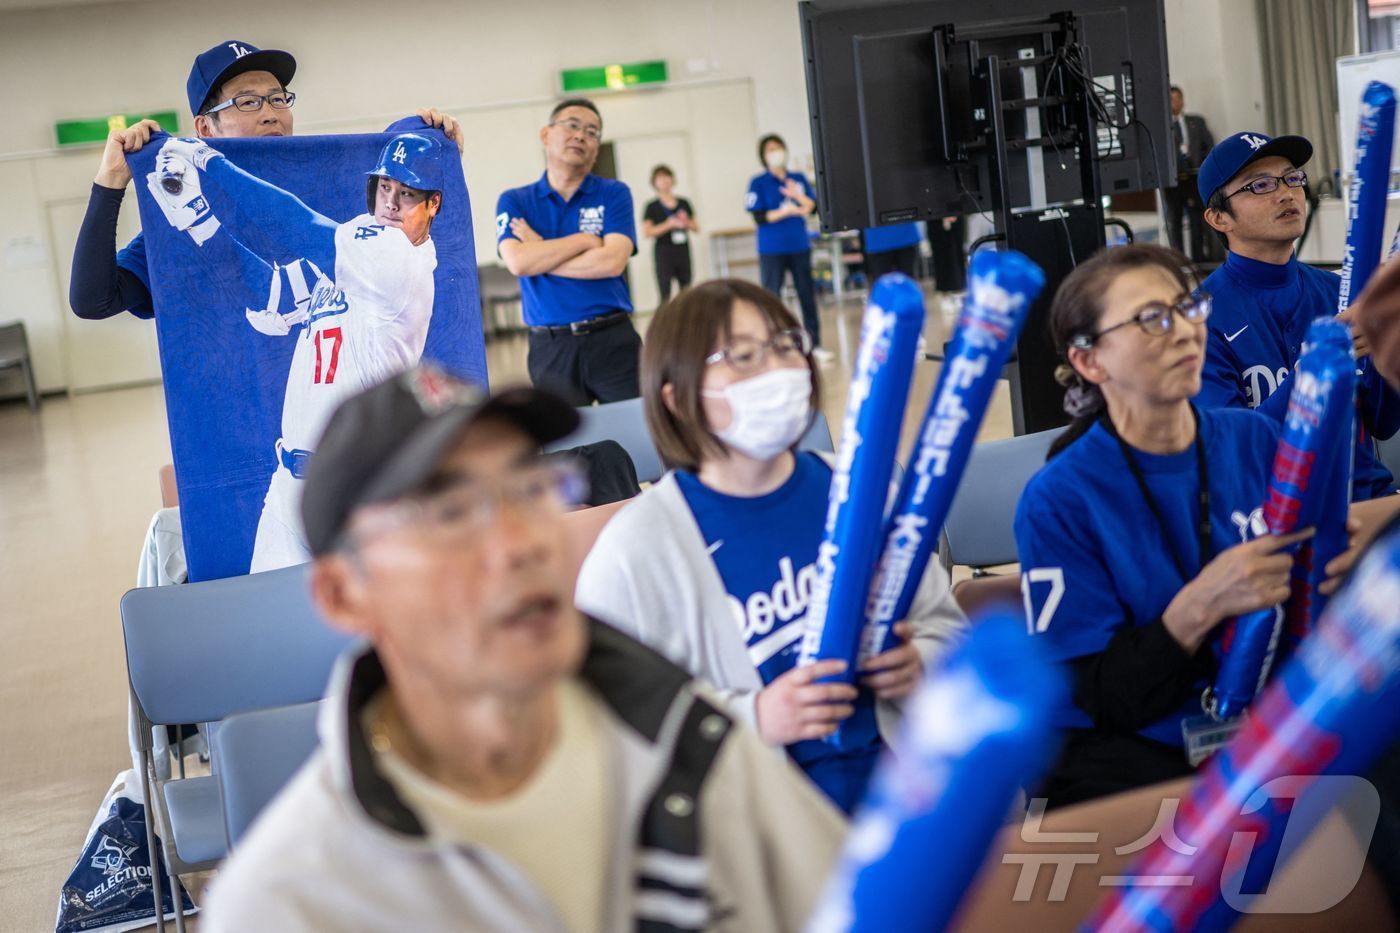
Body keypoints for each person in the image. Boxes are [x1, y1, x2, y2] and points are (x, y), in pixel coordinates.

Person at [200, 364, 846, 931]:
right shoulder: (292, 899)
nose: (522, 541)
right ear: (343, 593)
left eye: (531, 489)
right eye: (451, 511)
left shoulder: (682, 736)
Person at [575, 278, 967, 814]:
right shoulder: (635, 553)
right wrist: (756, 717)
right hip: (762, 836)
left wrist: (917, 663)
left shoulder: (861, 490)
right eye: (741, 355)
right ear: (678, 396)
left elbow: (944, 625)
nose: (778, 369)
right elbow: (613, 731)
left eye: (787, 345)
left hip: (911, 807)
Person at [1015, 244, 1314, 809]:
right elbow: (1103, 697)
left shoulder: (1256, 440)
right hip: (1133, 752)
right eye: (1152, 319)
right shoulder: (1059, 499)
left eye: (1188, 307)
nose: (1183, 331)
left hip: (1265, 727)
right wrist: (1202, 602)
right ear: (1090, 362)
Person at [144, 132, 445, 571]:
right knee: (269, 626)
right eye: (385, 188)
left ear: (432, 204)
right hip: (288, 483)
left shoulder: (398, 258)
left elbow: (295, 224)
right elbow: (272, 291)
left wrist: (211, 162)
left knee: (343, 631)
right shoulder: (356, 256)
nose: (391, 204)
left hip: (354, 486)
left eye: (408, 193)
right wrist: (198, 220)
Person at [69, 38, 463, 322]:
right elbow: (93, 301)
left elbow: (408, 225)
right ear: (205, 128)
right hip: (242, 424)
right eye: (247, 102)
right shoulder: (181, 222)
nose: (271, 113)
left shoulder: (329, 193)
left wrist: (427, 148)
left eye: (277, 99)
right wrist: (110, 183)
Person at [1196, 130, 1400, 501]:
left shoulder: (1337, 292)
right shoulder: (1199, 321)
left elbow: (1384, 422)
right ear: (1218, 218)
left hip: (1366, 501)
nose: (1286, 193)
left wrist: (1391, 342)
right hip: (1272, 522)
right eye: (1260, 185)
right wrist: (1313, 370)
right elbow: (1235, 452)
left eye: (1292, 178)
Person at [496, 99, 641, 406]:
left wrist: (539, 249)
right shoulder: (515, 201)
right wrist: (585, 240)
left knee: (637, 438)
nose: (581, 136)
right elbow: (519, 262)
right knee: (567, 450)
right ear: (546, 134)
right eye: (572, 125)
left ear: (597, 147)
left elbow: (612, 262)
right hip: (551, 348)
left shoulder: (614, 194)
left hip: (613, 340)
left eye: (592, 132)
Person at [746, 134, 832, 363]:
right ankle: (772, 345)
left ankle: (815, 344)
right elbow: (759, 216)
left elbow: (811, 208)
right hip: (771, 249)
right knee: (772, 297)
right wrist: (786, 211)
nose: (776, 152)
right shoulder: (758, 182)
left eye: (779, 148)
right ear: (763, 156)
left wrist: (797, 196)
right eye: (771, 149)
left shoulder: (797, 178)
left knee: (807, 295)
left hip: (799, 245)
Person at [1161, 86, 1214, 262]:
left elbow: (1208, 146)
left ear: (1183, 101)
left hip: (1194, 179)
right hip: (1173, 181)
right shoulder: (1162, 126)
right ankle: (1179, 261)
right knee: (1174, 220)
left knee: (1197, 219)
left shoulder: (1196, 122)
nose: (1173, 102)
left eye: (1176, 98)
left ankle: (1199, 260)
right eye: (1170, 99)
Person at [641, 164, 698, 304]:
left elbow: (696, 227)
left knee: (686, 290)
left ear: (672, 179)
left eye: (667, 177)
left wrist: (686, 222)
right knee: (665, 292)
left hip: (682, 249)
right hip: (664, 251)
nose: (664, 181)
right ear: (654, 182)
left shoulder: (684, 203)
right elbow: (647, 232)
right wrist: (668, 224)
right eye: (660, 178)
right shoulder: (651, 206)